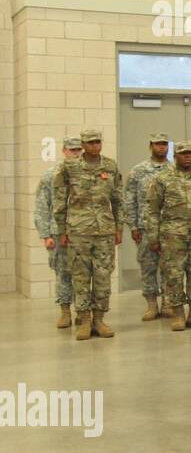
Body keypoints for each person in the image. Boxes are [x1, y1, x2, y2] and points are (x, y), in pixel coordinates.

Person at [53, 128, 123, 341]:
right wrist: (62, 230)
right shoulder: (69, 167)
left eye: (98, 142)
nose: (95, 146)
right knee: (81, 277)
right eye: (91, 142)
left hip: (104, 231)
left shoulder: (110, 166)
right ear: (82, 144)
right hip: (78, 231)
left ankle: (99, 319)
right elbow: (59, 200)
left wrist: (119, 228)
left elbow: (118, 199)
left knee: (102, 276)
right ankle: (84, 320)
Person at [144, 141, 191, 332]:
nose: (187, 156)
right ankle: (178, 313)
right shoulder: (163, 179)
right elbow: (152, 210)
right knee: (174, 273)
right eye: (183, 153)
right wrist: (153, 237)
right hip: (172, 235)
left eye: (190, 153)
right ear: (175, 156)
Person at [35, 137, 83, 328]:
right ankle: (65, 312)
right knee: (63, 273)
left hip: (83, 232)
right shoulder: (51, 174)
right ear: (64, 151)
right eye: (72, 150)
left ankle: (82, 311)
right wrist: (45, 235)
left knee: (84, 275)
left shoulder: (89, 174)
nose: (76, 153)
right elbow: (42, 205)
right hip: (58, 232)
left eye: (79, 149)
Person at [124, 132, 171, 321]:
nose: (162, 147)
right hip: (145, 228)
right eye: (158, 144)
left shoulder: (174, 170)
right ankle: (151, 305)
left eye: (164, 144)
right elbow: (129, 200)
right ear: (150, 146)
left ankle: (168, 303)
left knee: (169, 267)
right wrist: (133, 226)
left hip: (169, 229)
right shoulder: (138, 171)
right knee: (148, 267)